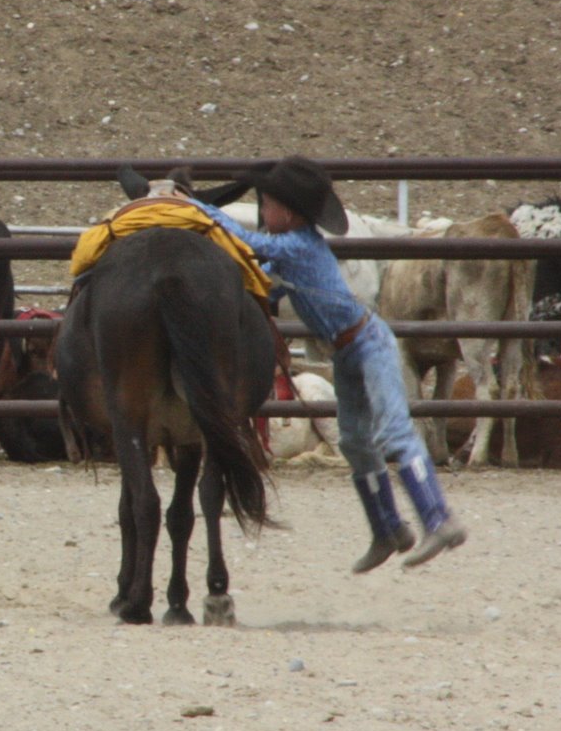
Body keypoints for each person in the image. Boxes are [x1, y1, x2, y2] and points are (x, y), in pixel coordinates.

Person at [191, 156, 466, 571]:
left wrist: (199, 209)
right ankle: (388, 528)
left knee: (393, 430)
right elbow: (265, 276)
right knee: (354, 442)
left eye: (266, 205)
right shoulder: (293, 251)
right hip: (348, 350)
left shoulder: (297, 245)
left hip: (368, 344)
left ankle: (438, 518)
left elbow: (254, 245)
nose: (263, 212)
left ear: (287, 212)